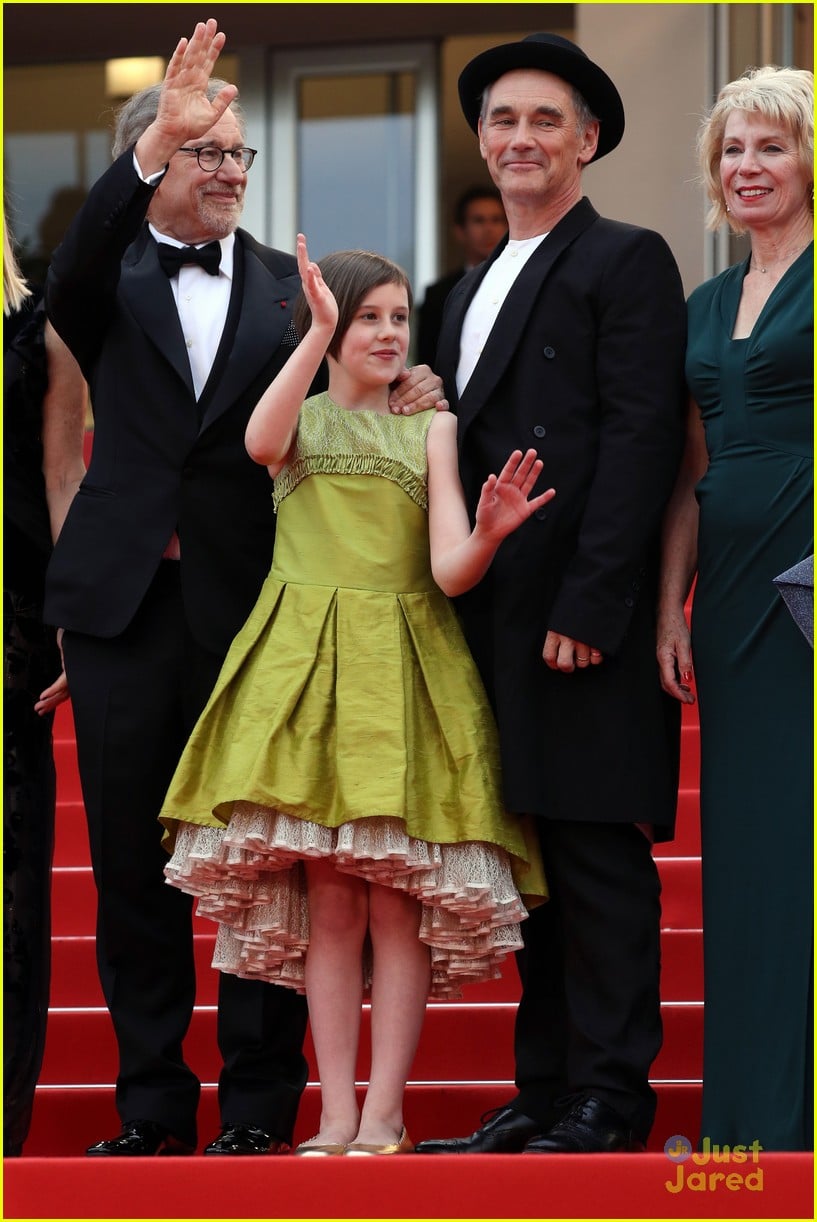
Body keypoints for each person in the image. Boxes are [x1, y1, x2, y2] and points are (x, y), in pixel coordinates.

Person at [42, 18, 443, 1158]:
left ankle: (262, 1106)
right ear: (158, 155)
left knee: (264, 867)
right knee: (131, 865)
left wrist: (401, 382)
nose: (224, 172)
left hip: (262, 612)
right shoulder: (103, 279)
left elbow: (366, 353)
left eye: (235, 153)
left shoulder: (289, 287)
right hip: (122, 609)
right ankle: (152, 1106)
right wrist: (147, 149)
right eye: (202, 150)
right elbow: (73, 262)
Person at [158, 233, 551, 1156]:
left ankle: (384, 1115)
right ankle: (333, 1116)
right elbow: (259, 441)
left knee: (391, 900)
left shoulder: (433, 427)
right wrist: (315, 334)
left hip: (406, 665)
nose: (387, 333)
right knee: (329, 901)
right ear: (330, 326)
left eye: (398, 319)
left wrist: (490, 532)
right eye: (366, 317)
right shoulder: (299, 415)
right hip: (304, 665)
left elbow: (450, 571)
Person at [413, 32, 687, 1157]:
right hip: (491, 616)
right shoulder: (462, 286)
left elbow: (640, 439)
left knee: (594, 858)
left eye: (542, 120)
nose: (517, 138)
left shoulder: (627, 258)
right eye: (500, 122)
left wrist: (593, 603)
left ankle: (612, 1098)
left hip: (581, 617)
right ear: (481, 143)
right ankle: (547, 1088)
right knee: (534, 869)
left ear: (585, 141)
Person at [657, 66, 813, 1151]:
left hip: (812, 586)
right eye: (731, 150)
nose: (746, 167)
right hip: (730, 596)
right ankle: (752, 1127)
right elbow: (686, 467)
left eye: (769, 146)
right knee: (751, 860)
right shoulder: (704, 305)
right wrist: (671, 601)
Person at [3, 213, 87, 1156]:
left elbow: (65, 475)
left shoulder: (41, 326)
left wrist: (77, 612)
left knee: (14, 875)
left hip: (15, 623)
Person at [415, 185, 507, 365]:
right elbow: (427, 363)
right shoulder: (438, 295)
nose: (489, 229)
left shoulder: (525, 282)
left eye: (496, 220)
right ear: (460, 231)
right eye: (479, 221)